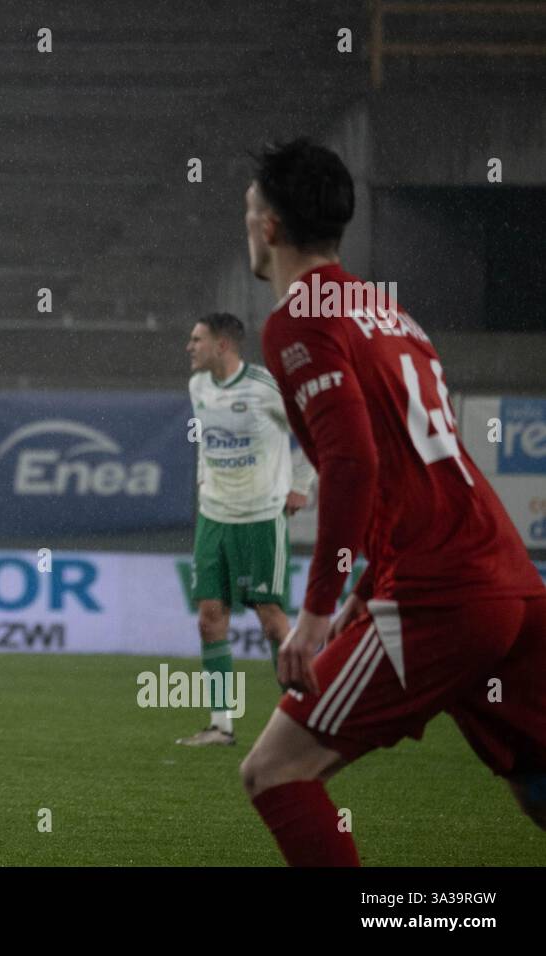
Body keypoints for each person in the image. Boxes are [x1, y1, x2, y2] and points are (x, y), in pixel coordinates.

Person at [239, 138, 546, 865]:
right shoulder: (388, 313)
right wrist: (364, 589)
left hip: (445, 594)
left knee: (274, 771)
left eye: (250, 211)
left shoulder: (297, 321)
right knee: (537, 783)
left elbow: (354, 463)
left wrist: (313, 617)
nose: (248, 225)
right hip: (512, 582)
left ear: (271, 227)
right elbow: (411, 477)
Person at [178, 313, 314, 746]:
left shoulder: (264, 387)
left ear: (223, 346)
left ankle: (303, 719)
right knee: (208, 619)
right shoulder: (198, 386)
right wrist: (203, 480)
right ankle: (221, 725)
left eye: (196, 339)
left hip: (261, 516)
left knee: (272, 621)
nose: (189, 346)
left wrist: (300, 485)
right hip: (214, 515)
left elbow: (313, 431)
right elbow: (205, 438)